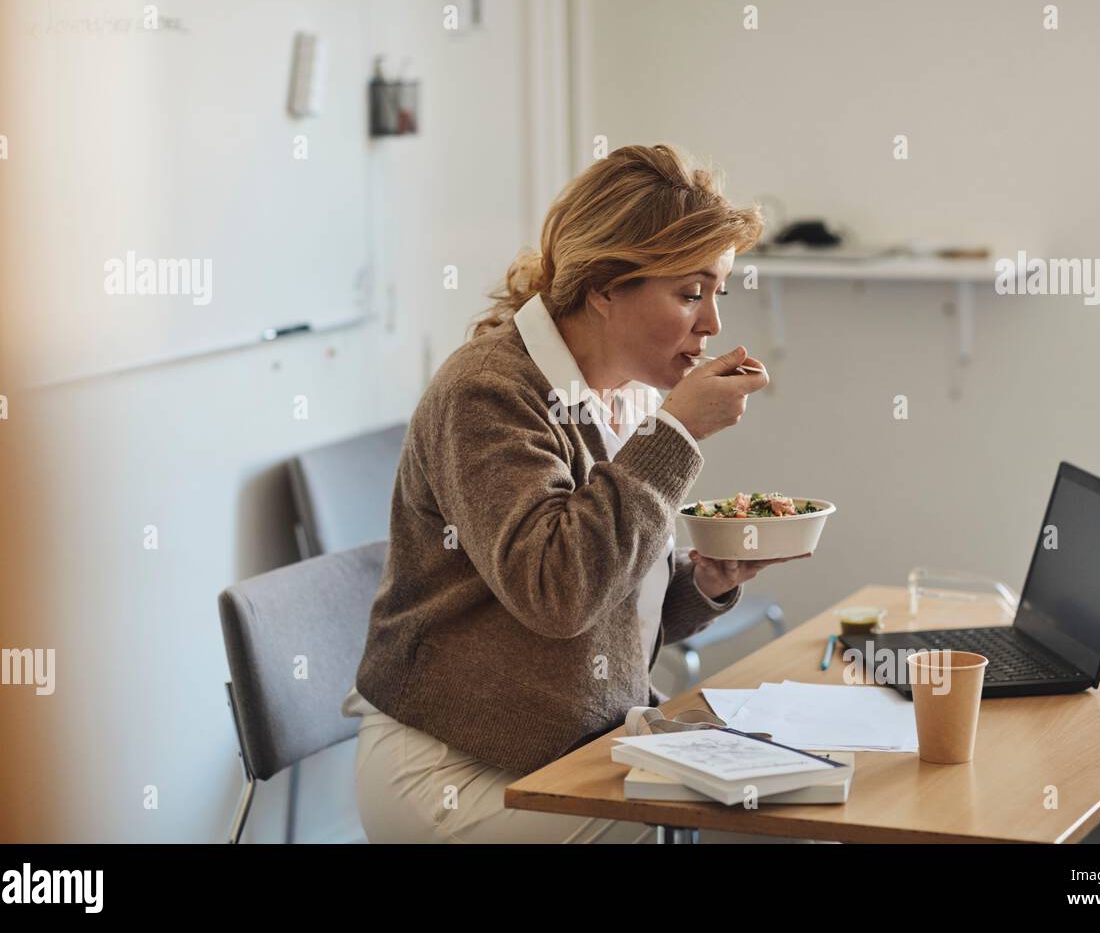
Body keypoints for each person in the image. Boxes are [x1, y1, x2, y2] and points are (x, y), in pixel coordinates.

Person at [343, 144, 811, 842]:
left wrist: (704, 583)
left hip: (565, 747)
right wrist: (677, 435)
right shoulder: (488, 392)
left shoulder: (620, 394)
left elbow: (608, 602)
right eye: (690, 293)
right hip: (452, 769)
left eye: (718, 293)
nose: (712, 324)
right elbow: (558, 594)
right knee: (709, 826)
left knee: (788, 795)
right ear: (604, 288)